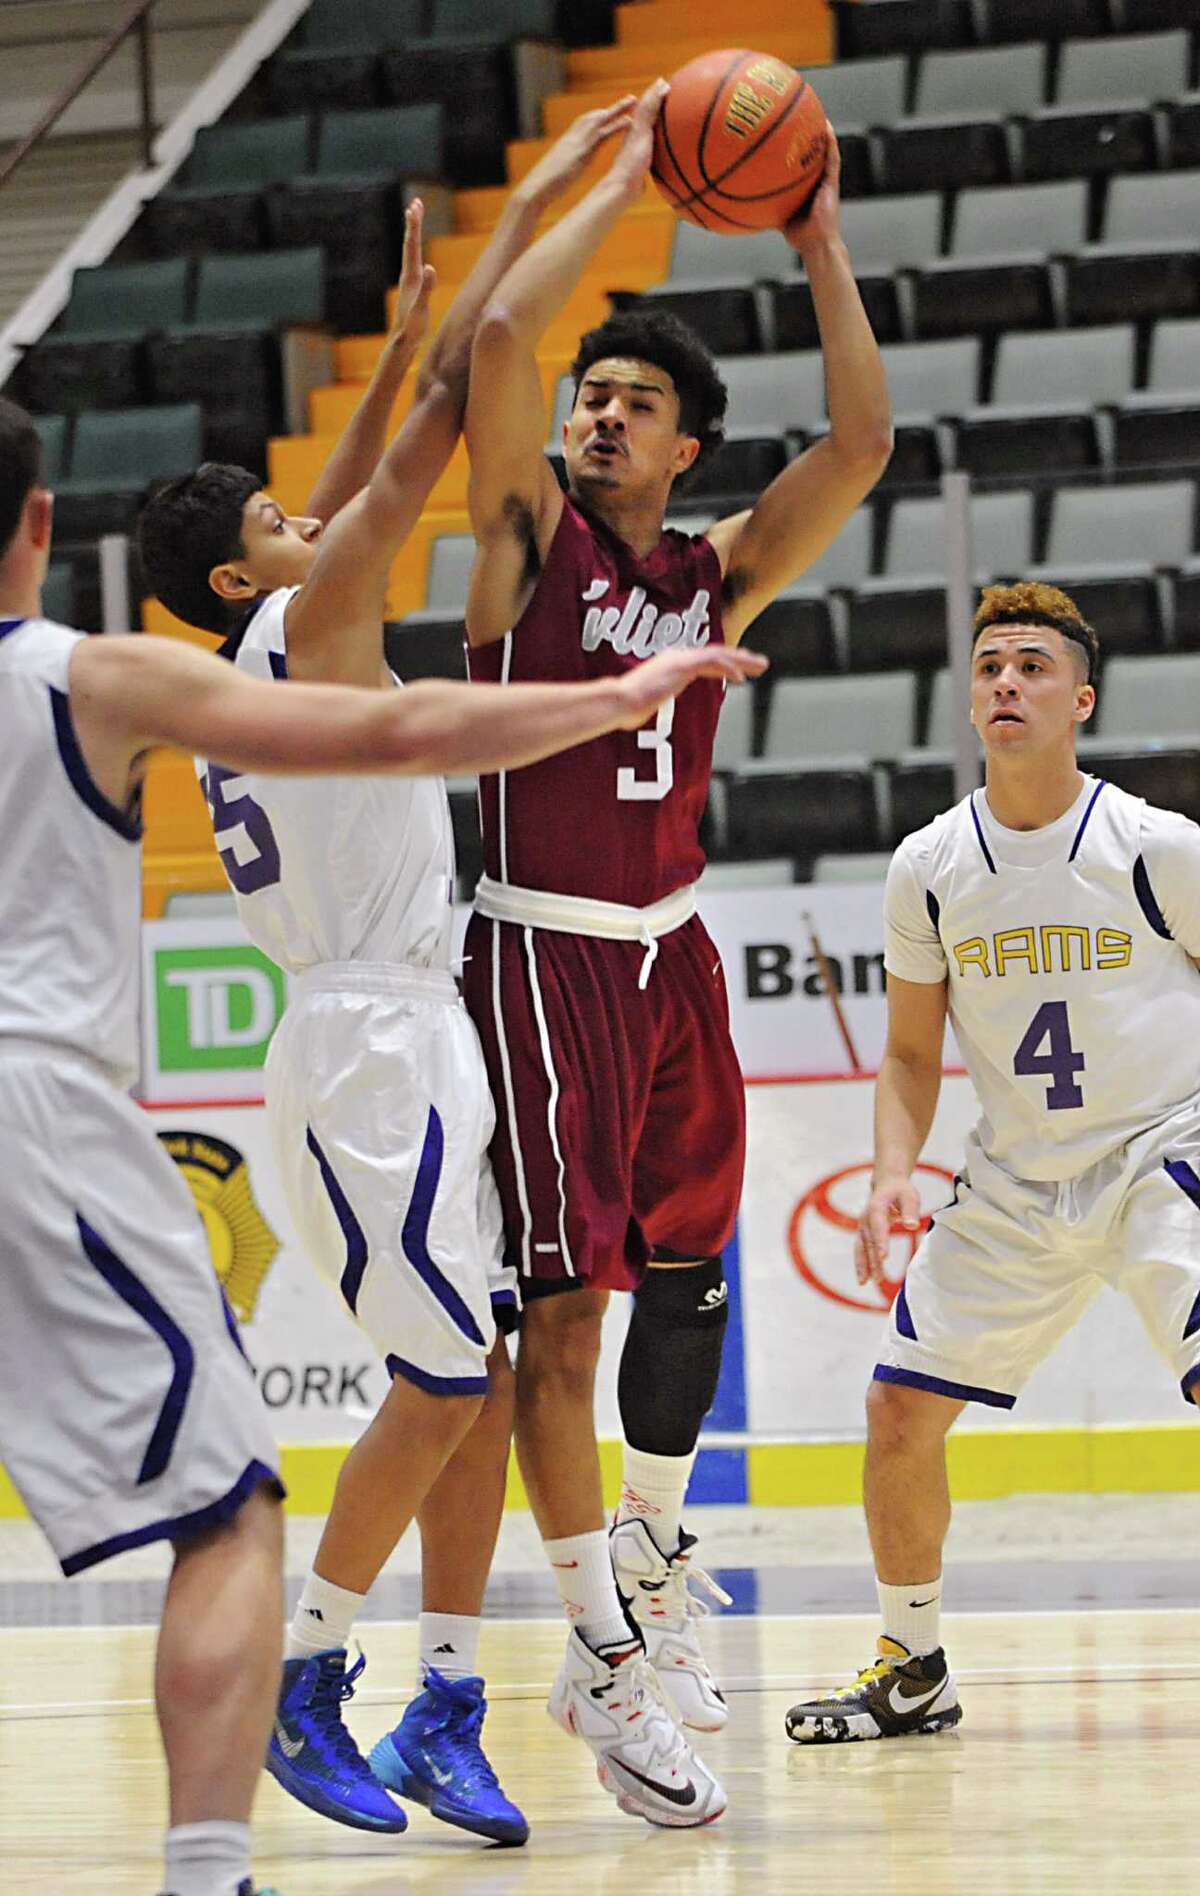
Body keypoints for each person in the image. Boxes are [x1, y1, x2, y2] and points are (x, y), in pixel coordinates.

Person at [136, 102, 765, 1846]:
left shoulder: (283, 634)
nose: (307, 512)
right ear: (238, 567)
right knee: (449, 1384)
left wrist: (421, 315)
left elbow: (367, 469)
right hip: (375, 1044)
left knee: (480, 1373)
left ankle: (445, 1697)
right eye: (277, 510)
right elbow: (436, 421)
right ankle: (309, 1676)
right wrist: (574, 195)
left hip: (409, 1024)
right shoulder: (310, 623)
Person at [460, 80, 892, 1821]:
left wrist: (820, 241)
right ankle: (605, 1660)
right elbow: (498, 331)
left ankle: (649, 1553)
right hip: (545, 951)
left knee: (693, 1274)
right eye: (592, 399)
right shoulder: (523, 553)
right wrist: (623, 172)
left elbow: (860, 447)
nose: (599, 415)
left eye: (635, 403)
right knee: (563, 1316)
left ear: (689, 442)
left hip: (672, 948)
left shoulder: (714, 574)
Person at [786, 581, 1200, 1747]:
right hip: (1018, 1180)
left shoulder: (1159, 849)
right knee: (897, 1411)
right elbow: (912, 1052)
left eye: (1029, 666)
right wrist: (887, 1172)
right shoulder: (928, 865)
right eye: (988, 668)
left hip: (1166, 1150)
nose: (1006, 684)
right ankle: (910, 1665)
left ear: (1082, 698)